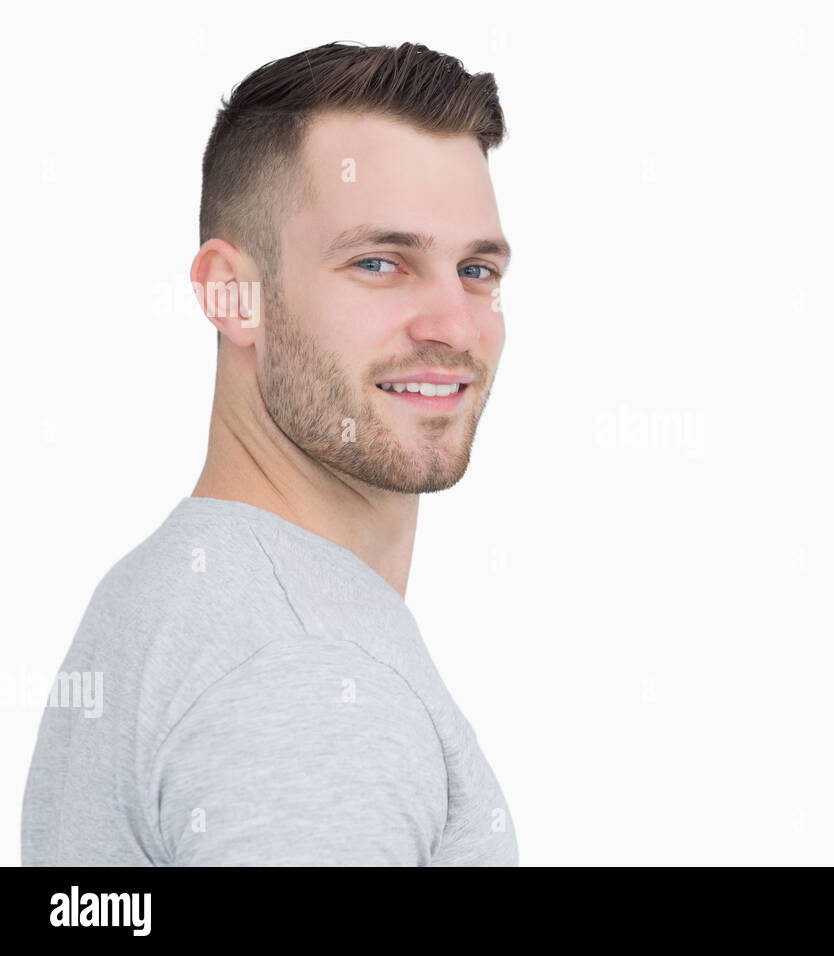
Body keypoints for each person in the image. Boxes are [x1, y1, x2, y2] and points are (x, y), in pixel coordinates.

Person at [21, 41, 519, 865]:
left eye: (474, 269)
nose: (454, 325)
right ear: (232, 294)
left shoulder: (173, 593)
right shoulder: (303, 676)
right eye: (379, 262)